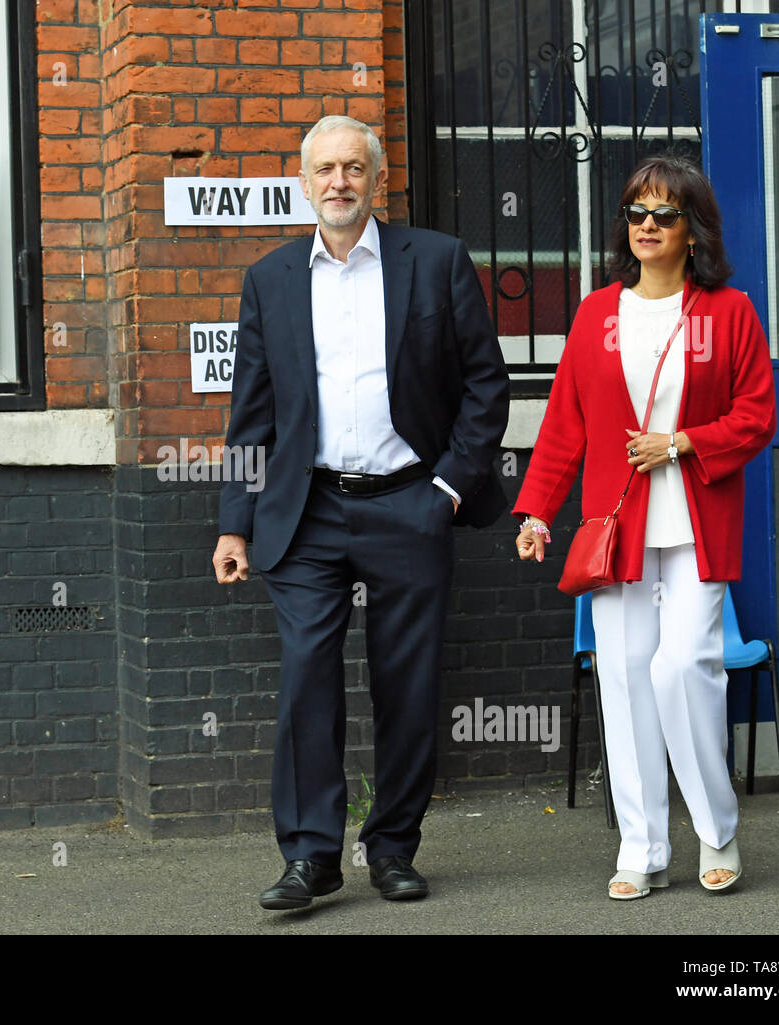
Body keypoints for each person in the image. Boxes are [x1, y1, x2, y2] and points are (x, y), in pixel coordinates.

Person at [212, 115, 510, 910]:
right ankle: (311, 856)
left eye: (353, 167)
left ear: (376, 179)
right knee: (307, 680)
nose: (339, 182)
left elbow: (486, 386)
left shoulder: (437, 260)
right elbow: (251, 415)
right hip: (305, 511)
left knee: (406, 684)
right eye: (324, 170)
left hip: (410, 502)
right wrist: (234, 521)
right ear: (303, 183)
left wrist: (446, 488)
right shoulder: (270, 278)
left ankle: (392, 847)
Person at [513, 152, 776, 899]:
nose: (648, 226)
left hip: (696, 521)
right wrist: (537, 509)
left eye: (665, 214)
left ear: (694, 229)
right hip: (617, 526)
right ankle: (643, 844)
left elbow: (757, 415)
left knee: (681, 667)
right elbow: (567, 421)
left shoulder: (730, 312)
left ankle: (716, 829)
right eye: (637, 212)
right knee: (624, 678)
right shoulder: (598, 312)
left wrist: (685, 442)